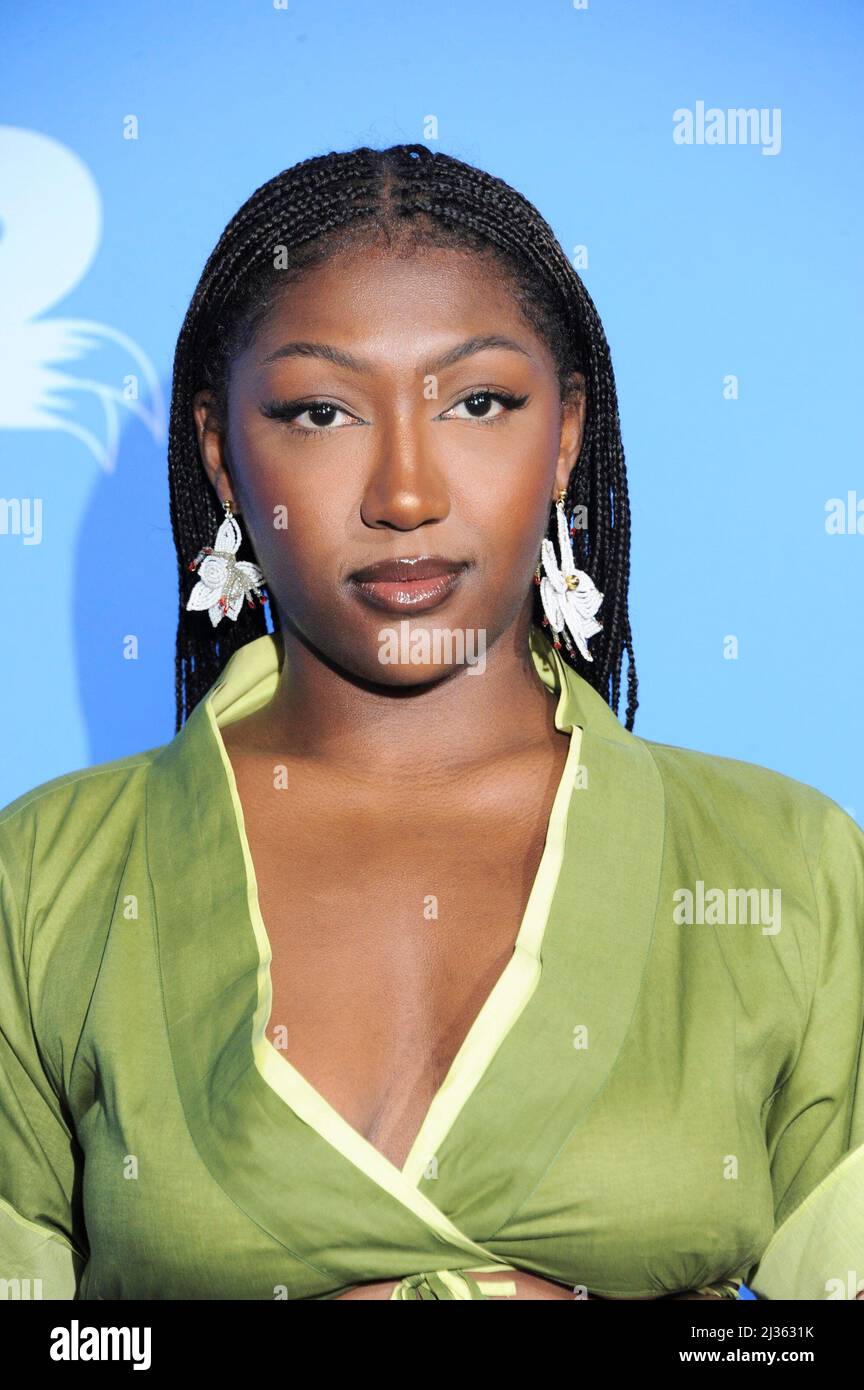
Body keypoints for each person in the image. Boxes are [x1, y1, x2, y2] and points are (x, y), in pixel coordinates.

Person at [1, 143, 861, 1302]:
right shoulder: (50, 874)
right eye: (319, 410)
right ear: (220, 455)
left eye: (479, 402)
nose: (404, 495)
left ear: (562, 439)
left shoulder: (782, 861)